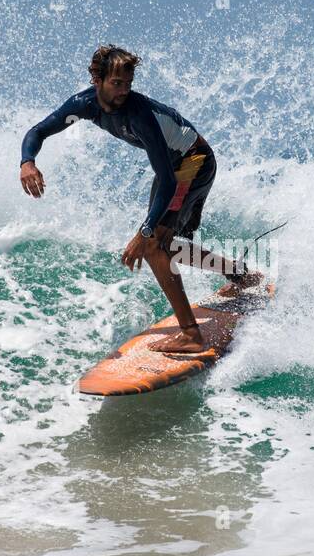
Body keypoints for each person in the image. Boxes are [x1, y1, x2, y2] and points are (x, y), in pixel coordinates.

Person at [19, 45, 263, 354]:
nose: (123, 90)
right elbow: (38, 131)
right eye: (116, 83)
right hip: (176, 167)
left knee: (151, 244)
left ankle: (190, 333)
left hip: (193, 161)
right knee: (164, 244)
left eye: (128, 84)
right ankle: (238, 273)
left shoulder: (139, 115)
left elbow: (169, 180)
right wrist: (27, 162)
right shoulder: (83, 104)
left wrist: (143, 232)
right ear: (97, 80)